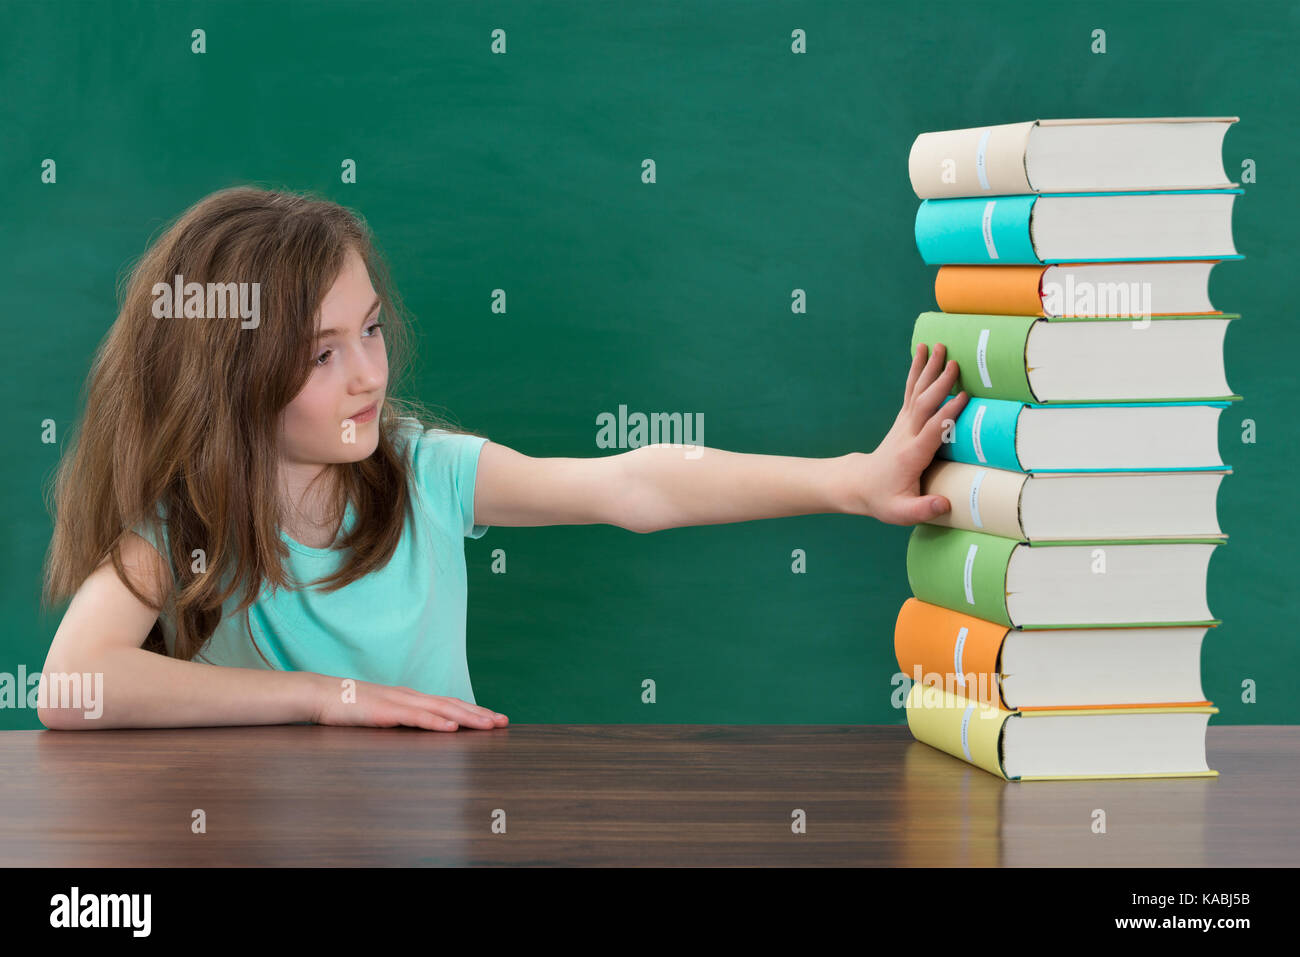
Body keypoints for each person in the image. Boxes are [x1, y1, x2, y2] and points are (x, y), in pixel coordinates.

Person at [38, 186, 968, 732]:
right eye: (323, 354)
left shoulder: (421, 471)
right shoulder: (190, 525)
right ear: (230, 375)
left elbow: (633, 483)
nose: (368, 374)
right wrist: (328, 697)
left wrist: (851, 477)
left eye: (369, 330)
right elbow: (71, 683)